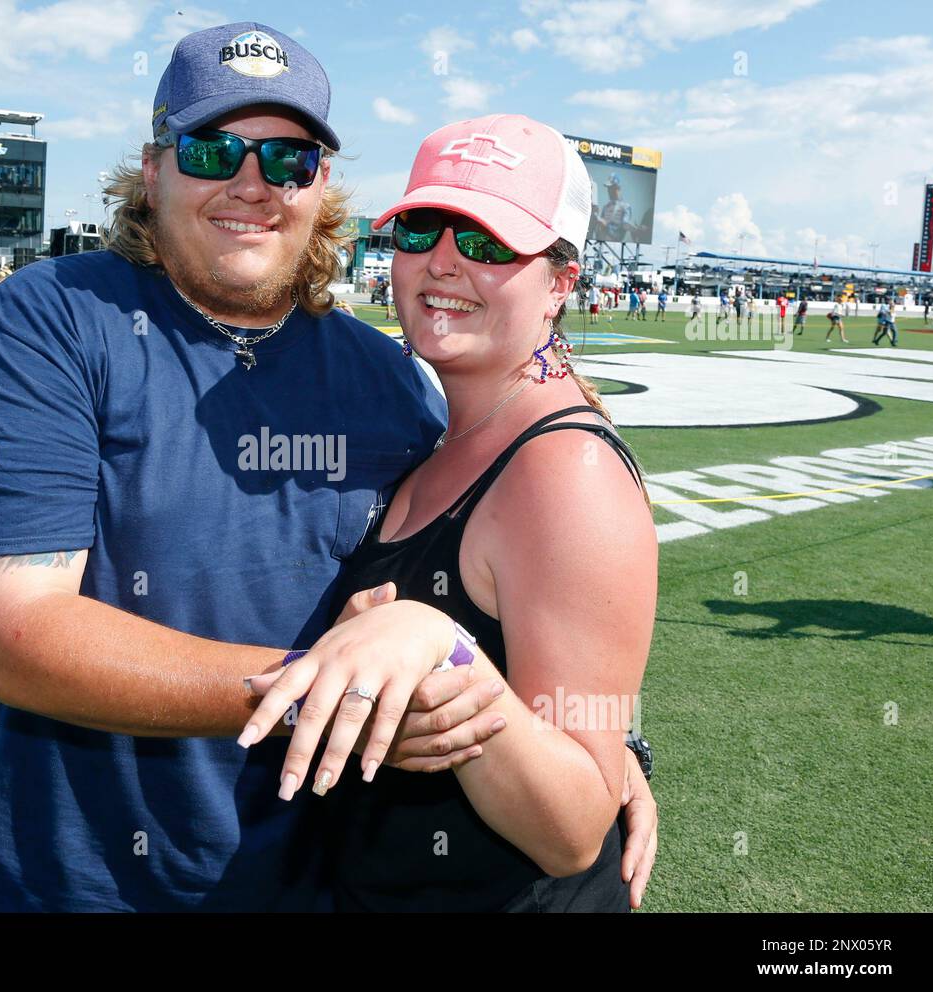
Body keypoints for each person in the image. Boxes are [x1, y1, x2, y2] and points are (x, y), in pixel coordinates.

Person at [0, 21, 659, 913]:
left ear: (322, 186)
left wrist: (602, 754)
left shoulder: (390, 384)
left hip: (315, 891)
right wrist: (328, 684)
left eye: (288, 159)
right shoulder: (52, 323)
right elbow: (9, 636)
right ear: (152, 171)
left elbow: (512, 602)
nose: (251, 184)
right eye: (213, 148)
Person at [242, 113, 656, 912]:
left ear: (561, 281)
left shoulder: (566, 470)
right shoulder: (441, 427)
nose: (443, 262)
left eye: (490, 242)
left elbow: (573, 826)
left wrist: (443, 648)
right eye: (423, 228)